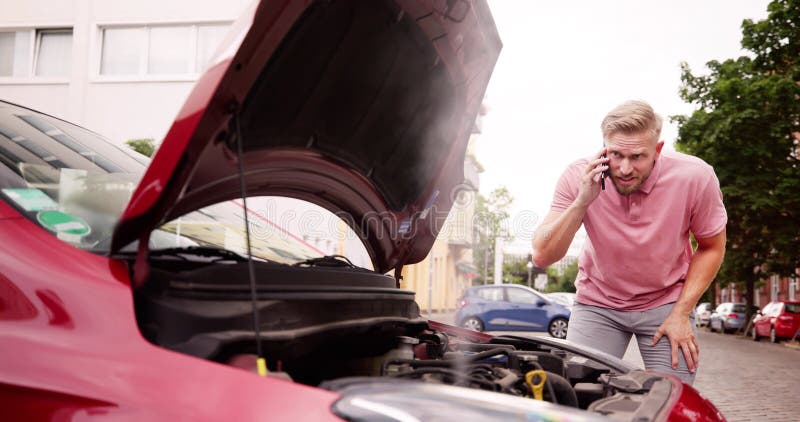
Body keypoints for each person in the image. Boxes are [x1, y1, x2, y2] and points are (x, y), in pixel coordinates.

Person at [532, 100, 726, 384]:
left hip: (667, 303)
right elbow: (542, 256)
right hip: (598, 303)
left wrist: (682, 312)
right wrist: (582, 201)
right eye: (616, 154)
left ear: (657, 150)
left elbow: (711, 247)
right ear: (604, 147)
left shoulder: (695, 176)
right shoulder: (578, 176)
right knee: (575, 390)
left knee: (674, 398)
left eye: (637, 156)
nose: (624, 168)